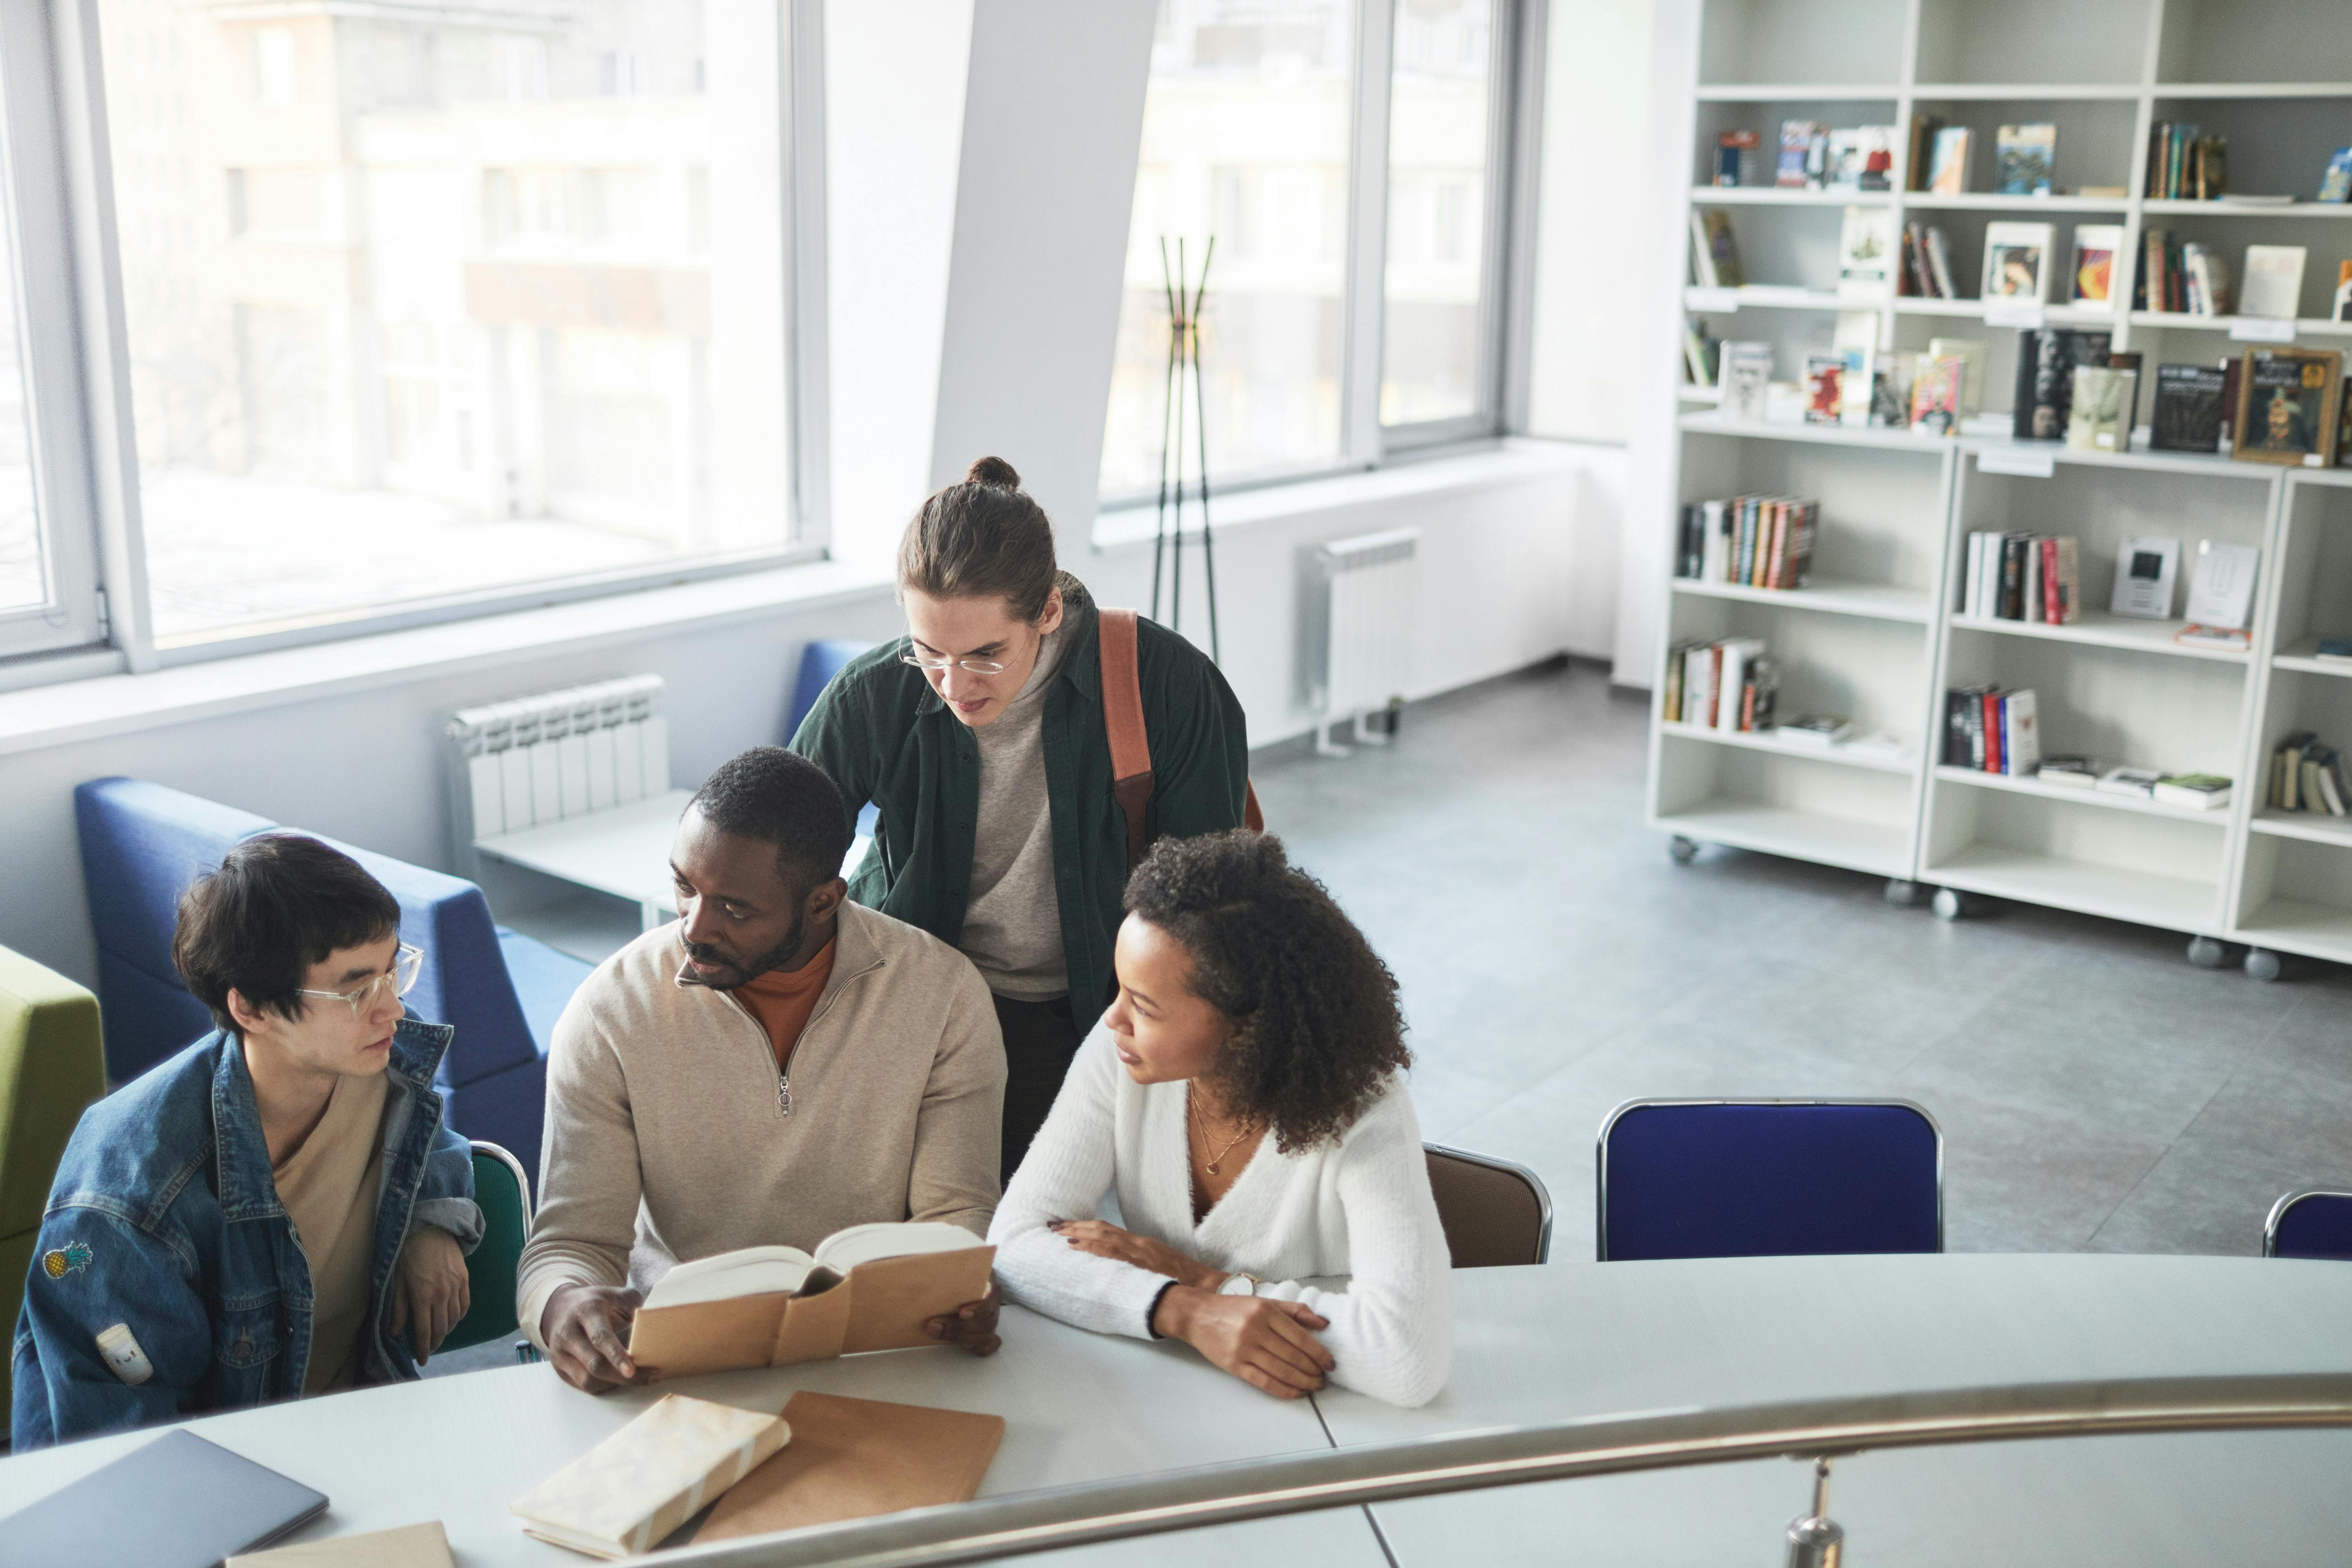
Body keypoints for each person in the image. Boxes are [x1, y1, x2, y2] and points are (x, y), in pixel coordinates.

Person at [792, 455, 1252, 1180]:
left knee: (1036, 1225)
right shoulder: (874, 692)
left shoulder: (1168, 685)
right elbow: (779, 843)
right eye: (929, 651)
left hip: (1087, 1014)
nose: (953, 686)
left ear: (1047, 611)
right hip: (915, 999)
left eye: (985, 655)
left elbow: (1210, 906)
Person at [522, 747, 1007, 1392]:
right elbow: (568, 1243)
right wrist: (562, 1303)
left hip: (881, 1352)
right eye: (684, 886)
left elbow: (957, 1213)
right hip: (679, 1362)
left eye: (735, 908)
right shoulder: (610, 1009)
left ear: (822, 901)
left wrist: (960, 1287)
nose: (694, 927)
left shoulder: (942, 993)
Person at [13, 836, 481, 1450]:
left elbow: (429, 1133)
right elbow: (122, 1449)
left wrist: (432, 1221)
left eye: (396, 967)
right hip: (218, 1474)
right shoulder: (128, 1197)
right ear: (253, 1008)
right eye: (357, 987)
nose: (392, 1006)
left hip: (365, 1423)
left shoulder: (382, 1057)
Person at [989, 830, 1451, 1407]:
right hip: (1165, 1393)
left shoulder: (1362, 1108)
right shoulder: (1119, 1055)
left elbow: (1406, 1357)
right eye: (1121, 990)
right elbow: (1012, 1245)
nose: (1113, 1018)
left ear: (1245, 1027)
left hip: (1325, 1411)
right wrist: (1184, 1309)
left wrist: (1205, 1278)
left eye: (1145, 1005)